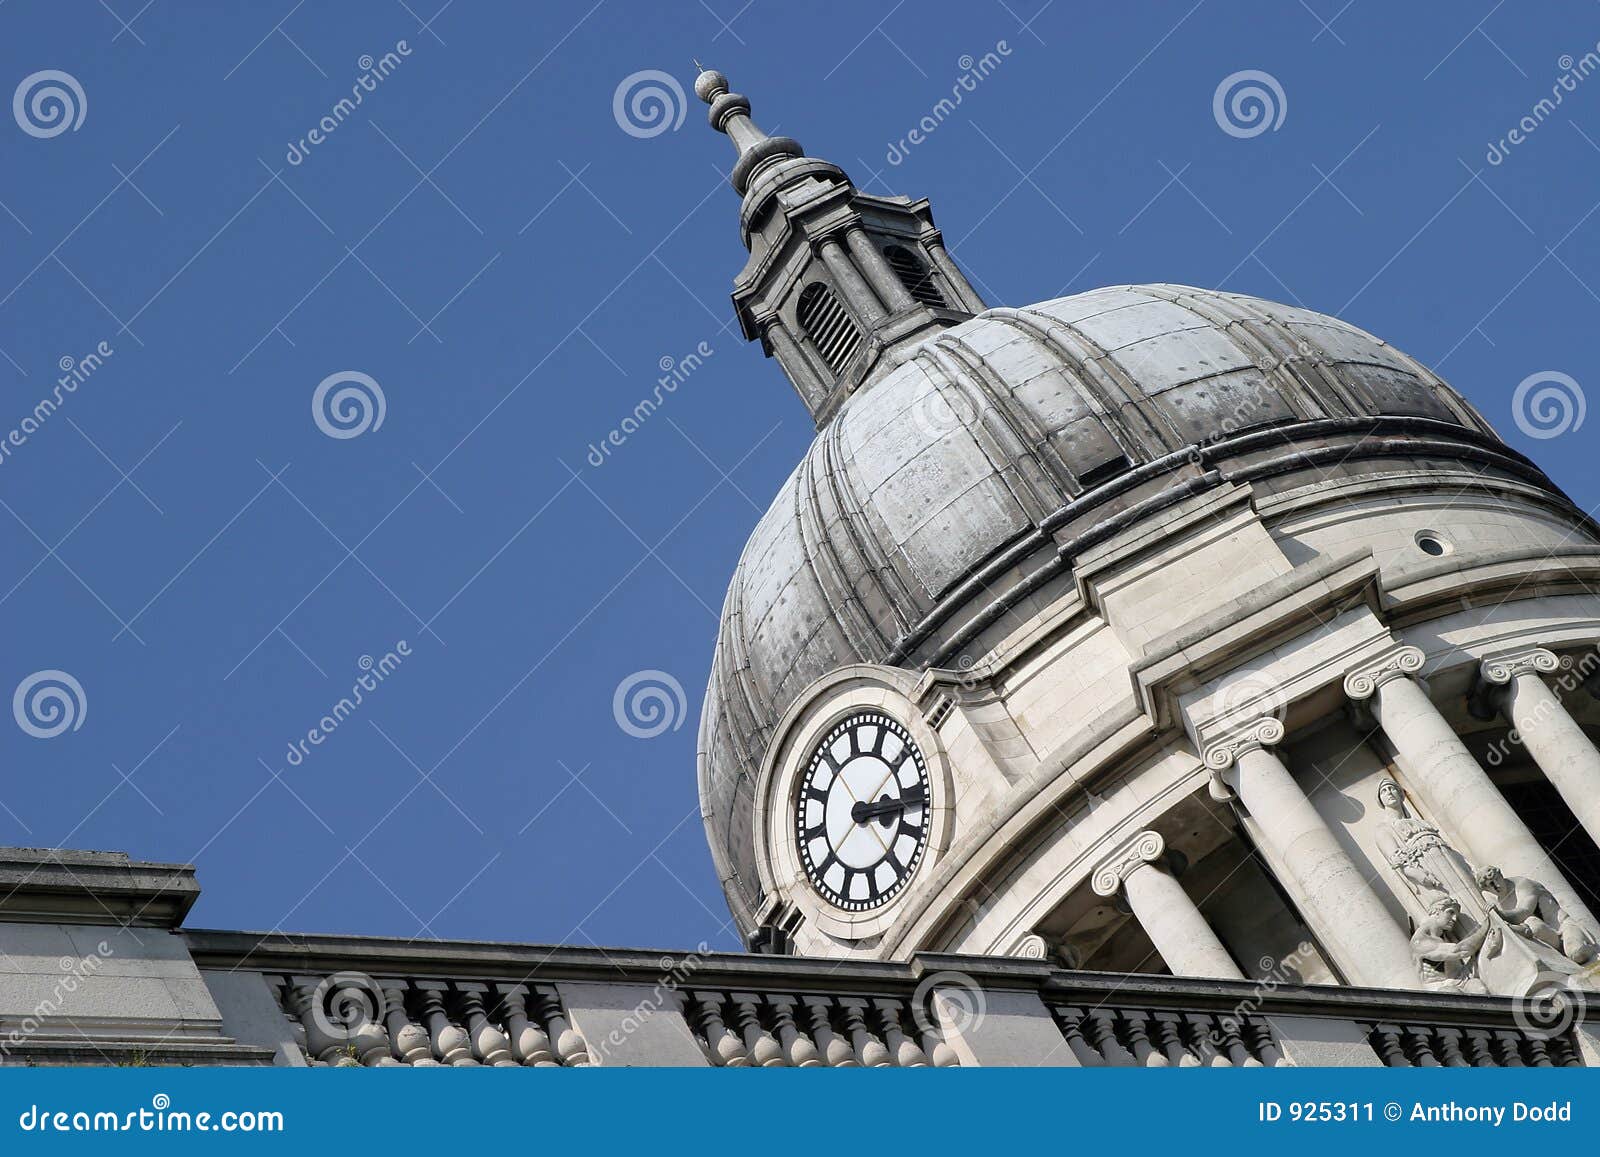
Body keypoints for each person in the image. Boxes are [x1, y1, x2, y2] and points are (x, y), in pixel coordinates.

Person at [1475, 865, 1599, 966]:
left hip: (1563, 927)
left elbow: (1524, 911)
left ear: (1500, 874)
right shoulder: (1500, 901)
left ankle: (1594, 949)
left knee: (1577, 953)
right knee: (1532, 926)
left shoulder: (1523, 884)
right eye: (1490, 885)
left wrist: (1499, 914)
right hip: (1544, 938)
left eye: (1496, 879)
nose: (1496, 886)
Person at [1409, 895, 1498, 992]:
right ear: (1437, 911)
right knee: (1451, 992)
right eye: (1450, 912)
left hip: (1458, 981)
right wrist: (1487, 924)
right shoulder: (1420, 940)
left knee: (1479, 988)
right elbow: (1460, 951)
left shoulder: (1446, 938)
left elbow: (1460, 967)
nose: (1454, 918)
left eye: (1456, 915)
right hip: (1435, 990)